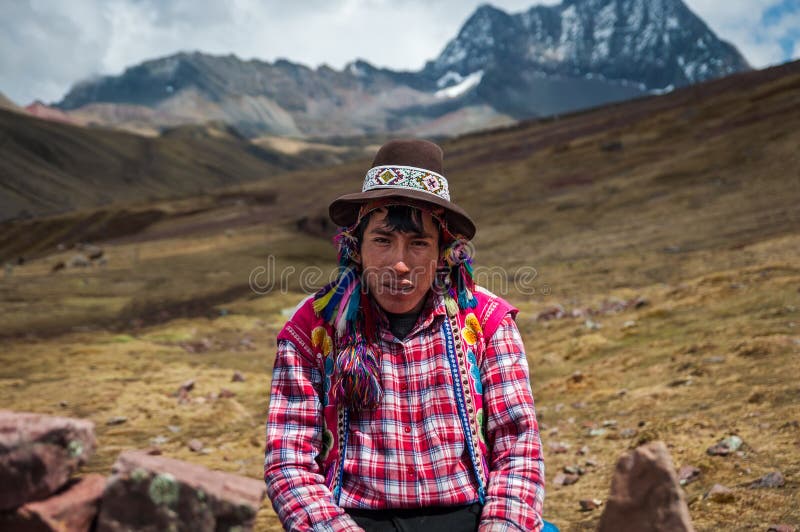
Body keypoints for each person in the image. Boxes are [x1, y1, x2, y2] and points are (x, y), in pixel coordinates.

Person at [264, 139, 546, 531]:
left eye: (418, 243)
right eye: (382, 240)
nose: (400, 264)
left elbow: (518, 446)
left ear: (443, 252)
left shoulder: (487, 322)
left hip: (468, 518)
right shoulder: (312, 329)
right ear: (356, 247)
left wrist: (502, 526)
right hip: (352, 520)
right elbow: (288, 462)